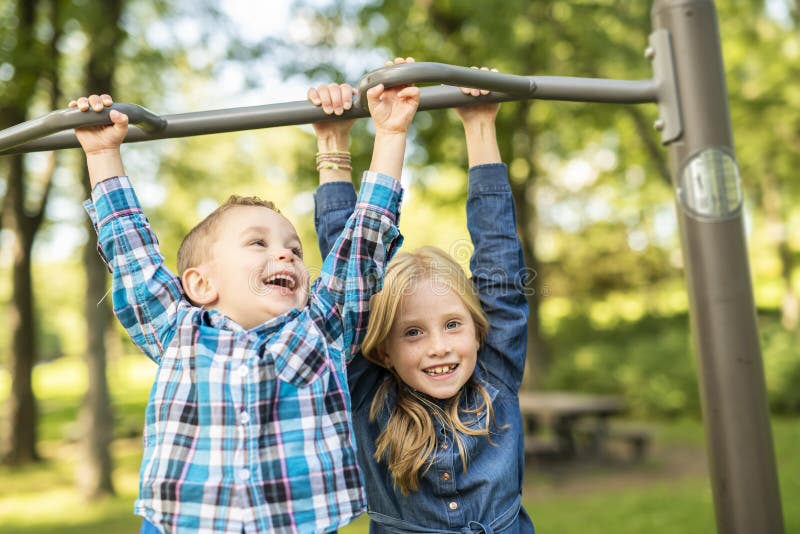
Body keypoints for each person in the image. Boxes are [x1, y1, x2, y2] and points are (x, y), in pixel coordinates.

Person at [72, 73, 418, 534]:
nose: (285, 254)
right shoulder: (179, 331)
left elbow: (365, 241)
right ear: (200, 283)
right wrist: (102, 154)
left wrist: (391, 133)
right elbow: (130, 250)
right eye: (258, 243)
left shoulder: (320, 329)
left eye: (294, 250)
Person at [312, 69, 536, 533]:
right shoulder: (370, 393)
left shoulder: (493, 372)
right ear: (383, 350)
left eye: (453, 324)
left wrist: (479, 124)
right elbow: (350, 273)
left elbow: (499, 262)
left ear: (479, 331)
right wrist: (332, 147)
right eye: (413, 332)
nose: (439, 346)